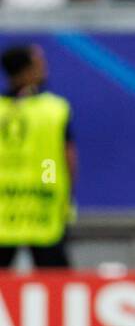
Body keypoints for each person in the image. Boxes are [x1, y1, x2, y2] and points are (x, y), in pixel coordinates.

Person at [0, 44, 75, 269]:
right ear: (26, 70)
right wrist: (59, 188)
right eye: (39, 64)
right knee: (56, 285)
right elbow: (66, 156)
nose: (44, 69)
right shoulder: (54, 109)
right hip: (44, 204)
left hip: (5, 207)